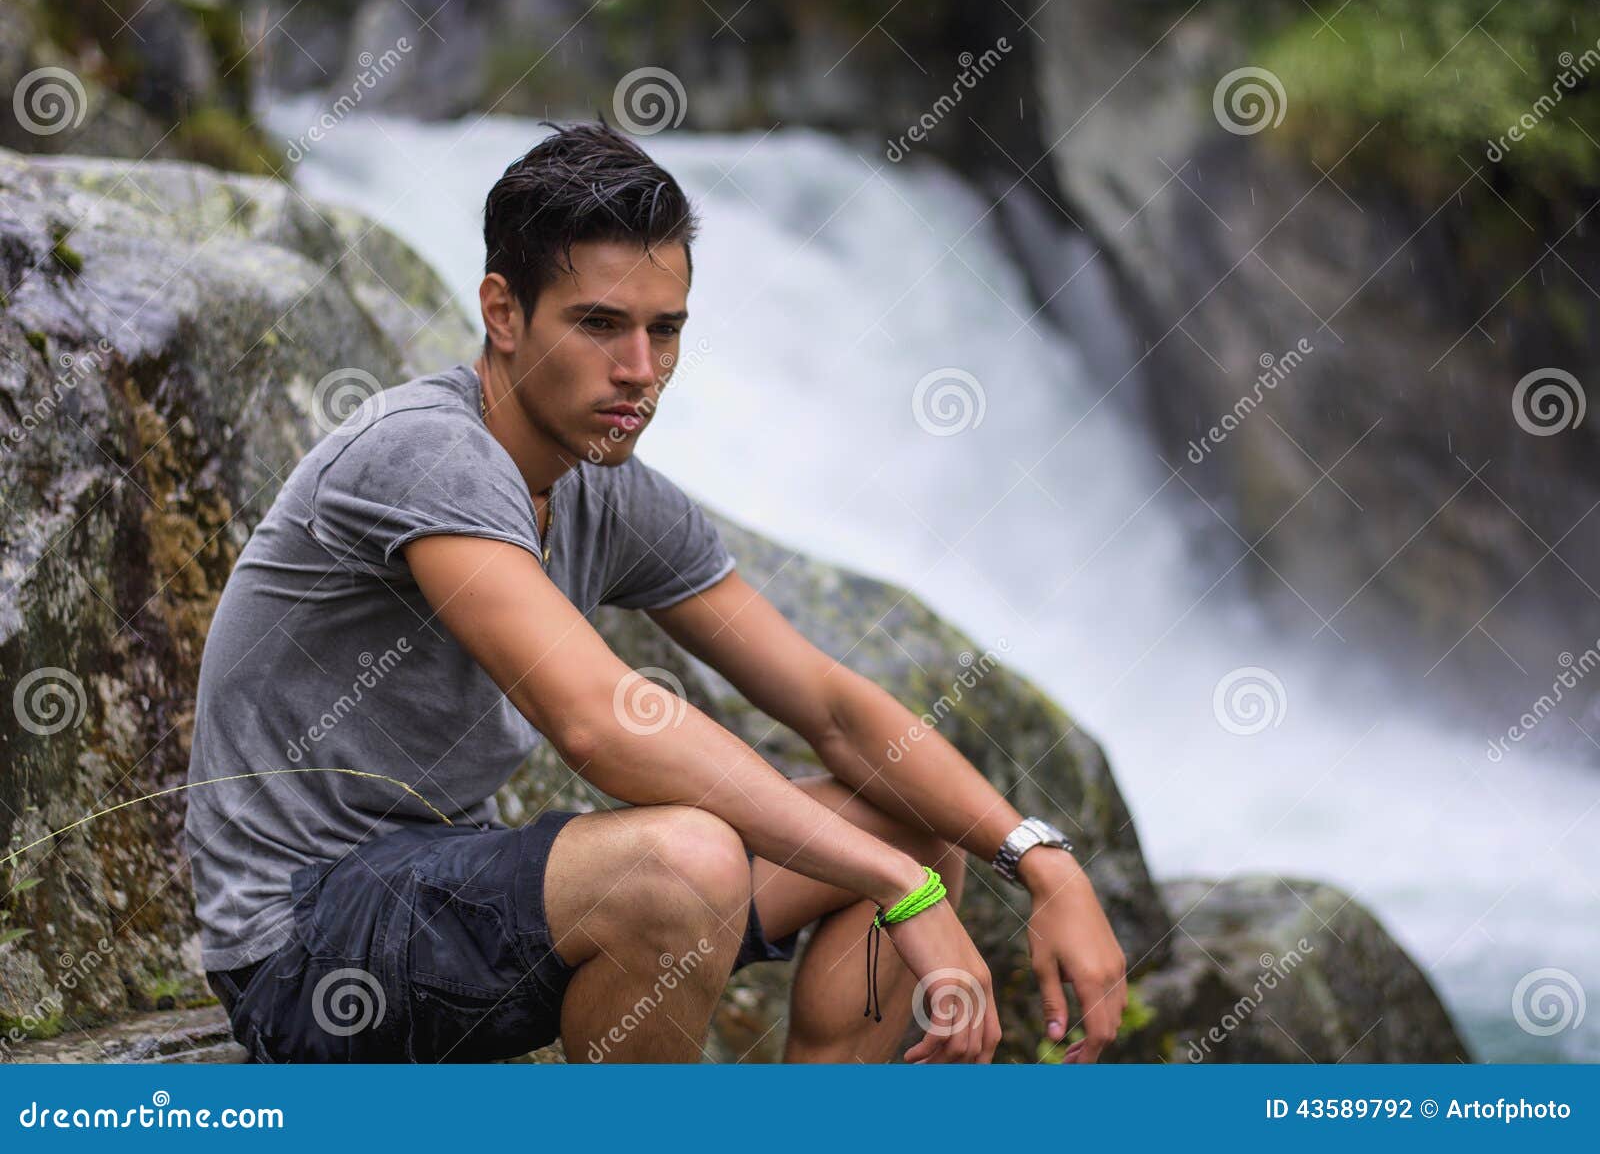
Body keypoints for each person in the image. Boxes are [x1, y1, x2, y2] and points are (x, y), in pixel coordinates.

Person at [184, 119, 1127, 1064]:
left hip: (454, 906)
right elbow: (596, 721)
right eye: (599, 324)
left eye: (663, 329)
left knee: (915, 828)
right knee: (689, 865)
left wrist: (1040, 861)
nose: (639, 369)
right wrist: (896, 888)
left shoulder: (608, 490)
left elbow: (831, 704)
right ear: (503, 313)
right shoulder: (428, 452)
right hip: (304, 947)